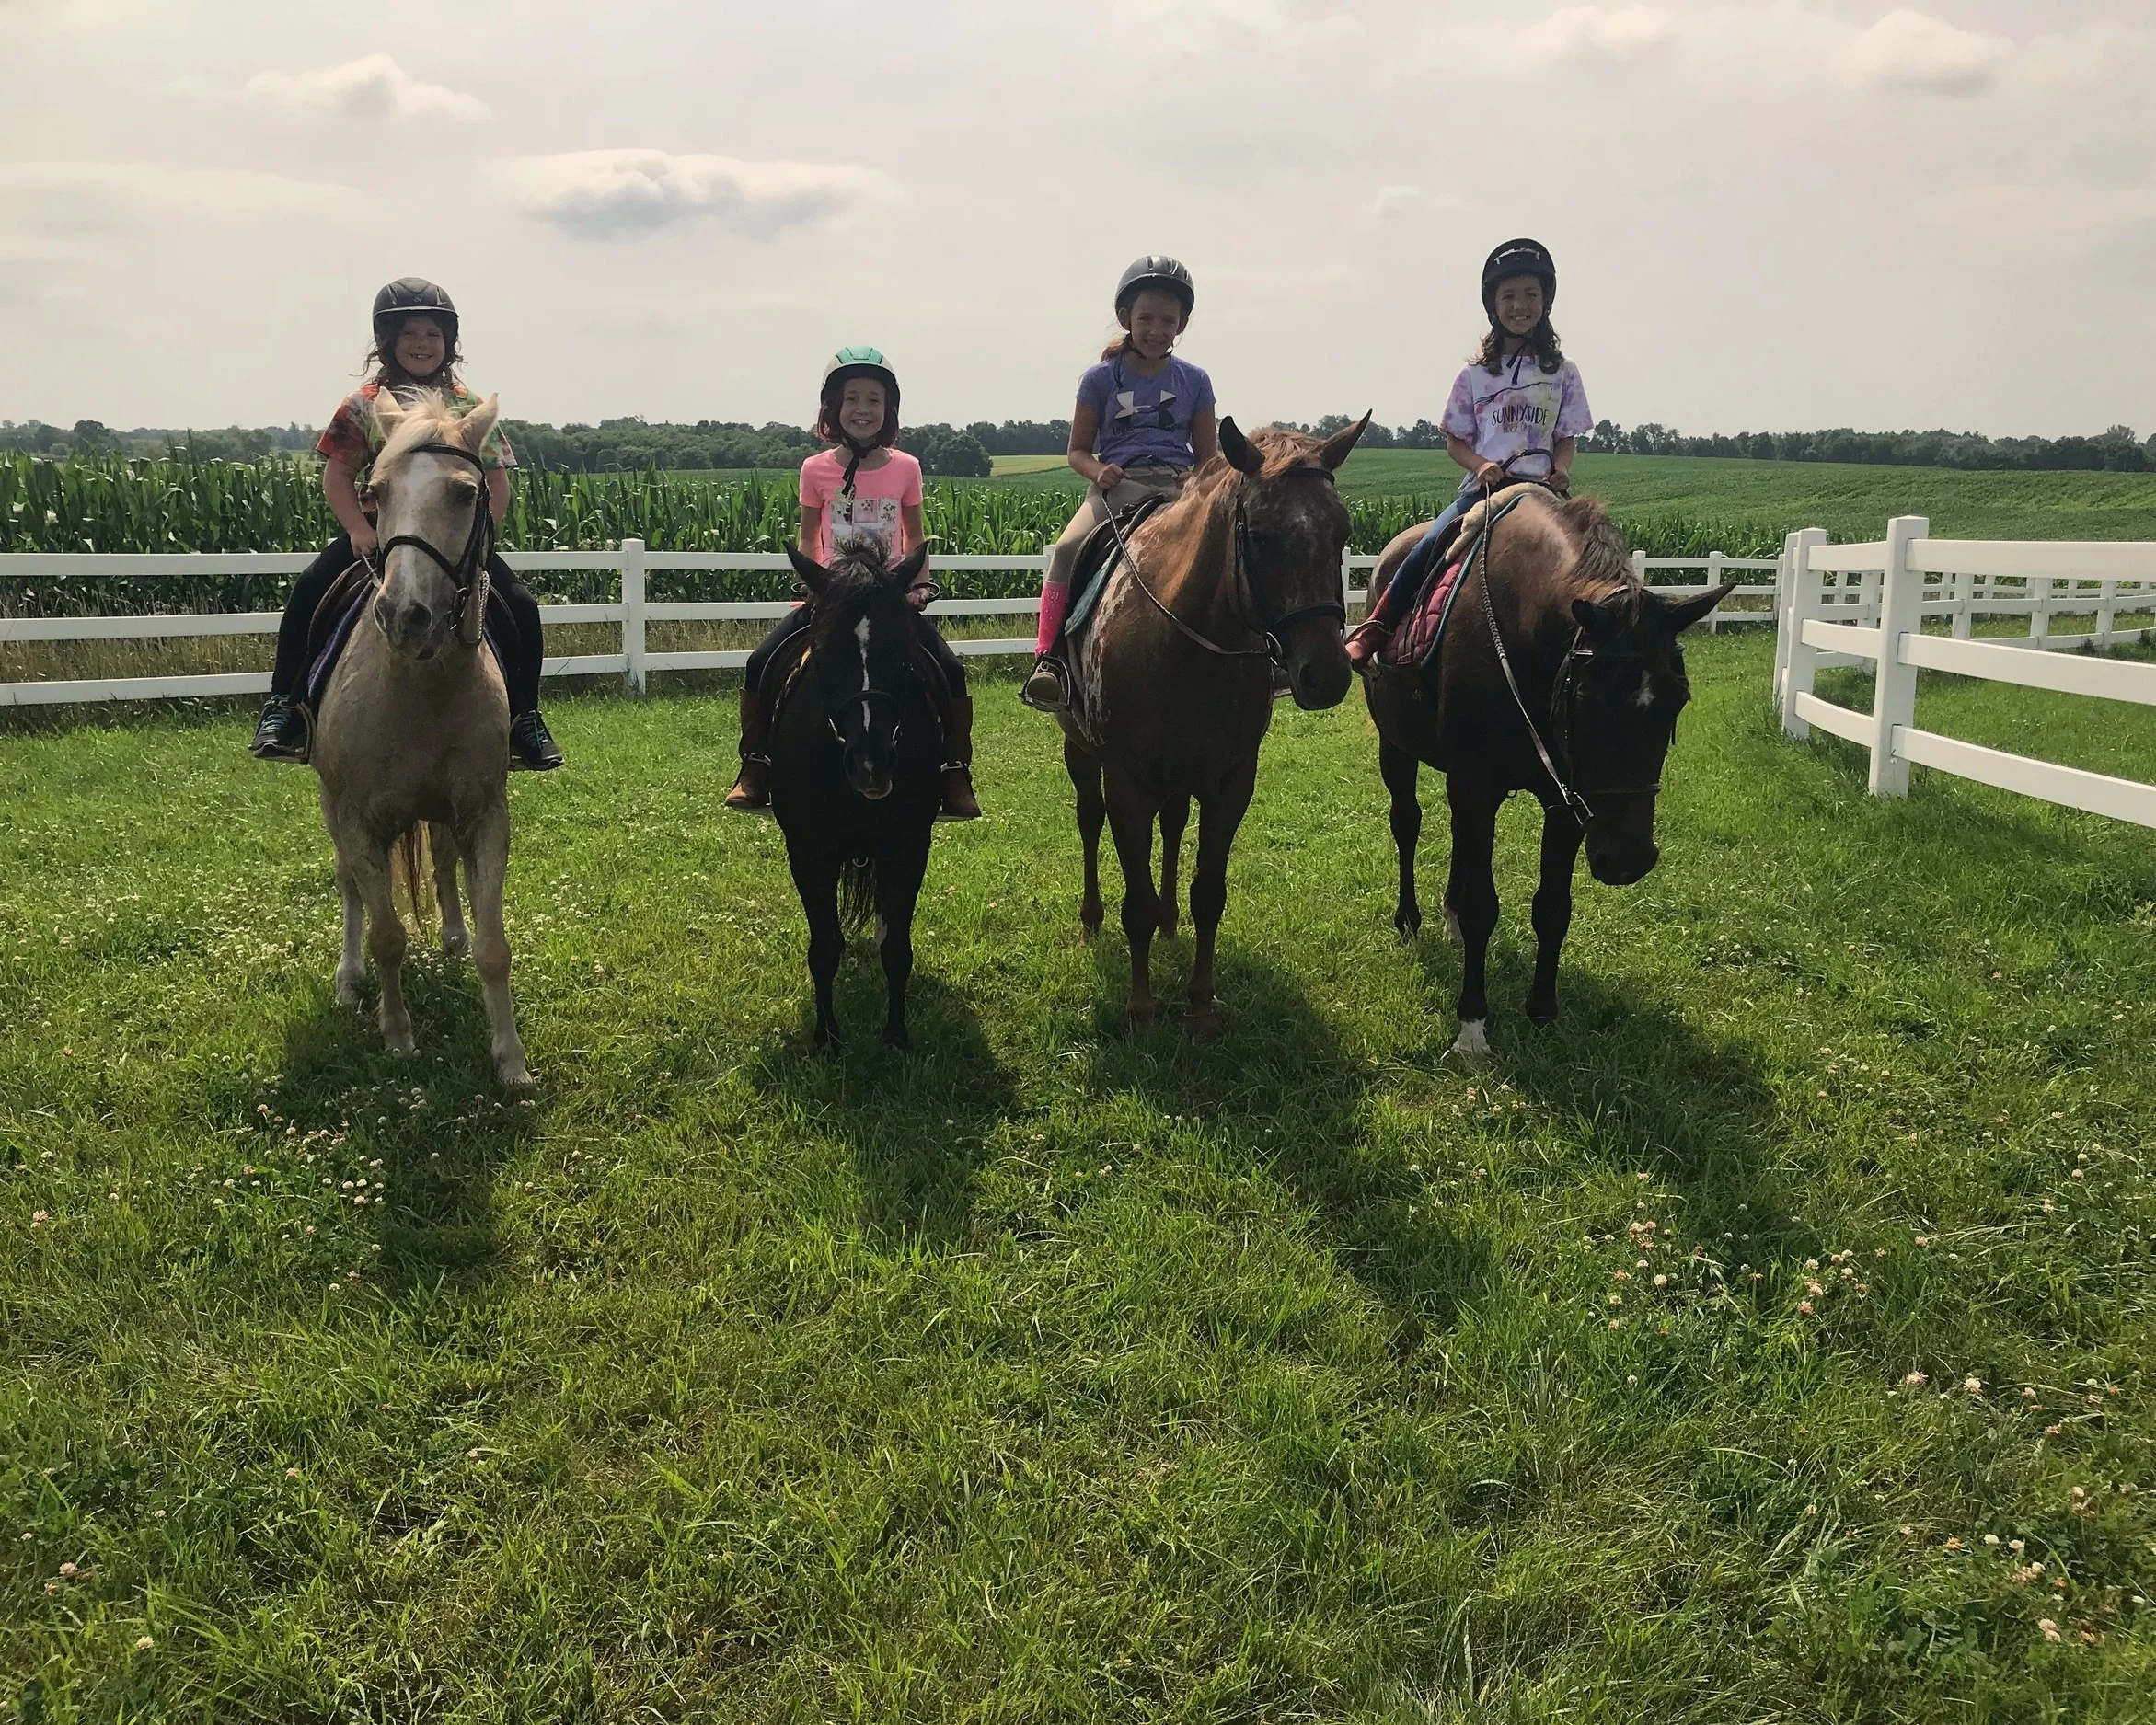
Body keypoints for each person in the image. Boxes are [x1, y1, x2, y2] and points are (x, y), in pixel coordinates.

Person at [248, 278, 562, 769]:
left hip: (453, 542)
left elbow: (496, 482)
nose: (422, 344)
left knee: (520, 606)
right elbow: (338, 476)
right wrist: (358, 530)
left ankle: (524, 716)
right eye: (411, 334)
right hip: (381, 534)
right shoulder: (362, 404)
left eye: (433, 334)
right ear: (387, 341)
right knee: (309, 591)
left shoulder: (468, 407)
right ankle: (285, 706)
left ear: (449, 342)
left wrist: (474, 541)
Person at [725, 348, 980, 821]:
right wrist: (813, 587)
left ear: (889, 410)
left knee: (950, 669)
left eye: (874, 400)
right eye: (852, 399)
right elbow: (809, 535)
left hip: (889, 600)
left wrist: (920, 587)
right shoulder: (814, 469)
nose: (863, 409)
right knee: (760, 661)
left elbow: (914, 533)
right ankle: (755, 766)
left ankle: (954, 771)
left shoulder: (906, 467)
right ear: (833, 409)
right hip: (832, 597)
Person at [1347, 238, 1592, 668]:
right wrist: (1481, 466)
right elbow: (1455, 441)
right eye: (1509, 296)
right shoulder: (1475, 375)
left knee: (1596, 552)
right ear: (1493, 305)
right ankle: (1377, 626)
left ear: (1546, 301)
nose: (1520, 305)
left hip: (1542, 493)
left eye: (1531, 295)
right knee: (1425, 546)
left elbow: (1566, 436)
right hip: (1484, 491)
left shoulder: (1563, 373)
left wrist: (1563, 468)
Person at [1020, 256, 1217, 711]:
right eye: (1146, 317)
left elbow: (1208, 457)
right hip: (1118, 487)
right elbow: (1077, 451)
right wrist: (1098, 471)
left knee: (1231, 545)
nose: (1156, 329)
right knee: (1068, 550)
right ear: (1126, 317)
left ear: (1182, 324)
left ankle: (1264, 654)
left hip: (1179, 491)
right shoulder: (1099, 379)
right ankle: (1049, 660)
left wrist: (1194, 476)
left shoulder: (1196, 381)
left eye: (1168, 320)